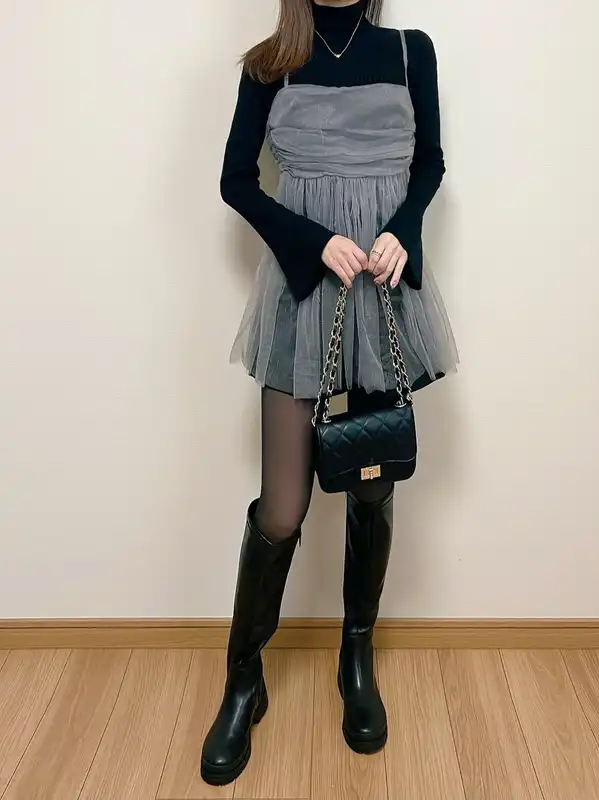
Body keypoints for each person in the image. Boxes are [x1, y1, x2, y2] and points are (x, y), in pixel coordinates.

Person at [201, 0, 458, 786]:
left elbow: (430, 164)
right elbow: (236, 182)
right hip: (303, 293)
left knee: (372, 485)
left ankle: (356, 656)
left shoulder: (410, 51)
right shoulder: (268, 62)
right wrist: (314, 242)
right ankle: (244, 679)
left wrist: (402, 230)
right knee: (282, 508)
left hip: (381, 292)